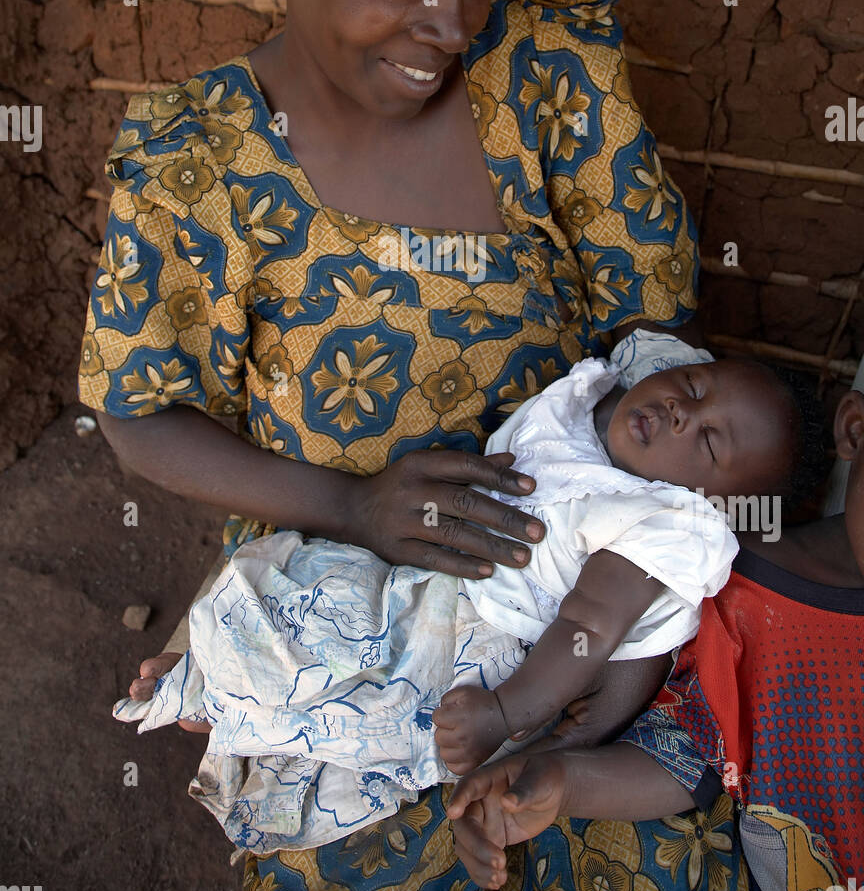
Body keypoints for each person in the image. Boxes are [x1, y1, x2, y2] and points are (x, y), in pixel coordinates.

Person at [81, 0, 711, 891]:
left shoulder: (551, 80)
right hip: (346, 626)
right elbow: (135, 408)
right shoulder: (194, 159)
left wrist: (594, 632)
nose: (450, 25)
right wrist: (352, 505)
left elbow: (661, 346)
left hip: (585, 608)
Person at [115, 336, 821, 859]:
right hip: (426, 581)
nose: (678, 414)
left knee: (370, 711)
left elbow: (591, 627)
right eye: (693, 387)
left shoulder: (659, 527)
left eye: (705, 444)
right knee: (304, 592)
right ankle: (222, 681)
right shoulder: (592, 406)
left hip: (487, 649)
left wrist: (510, 714)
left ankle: (229, 707)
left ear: (705, 502)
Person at [446, 390, 862, 891]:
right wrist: (558, 782)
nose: (682, 413)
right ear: (855, 429)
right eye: (690, 387)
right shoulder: (726, 583)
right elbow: (689, 755)